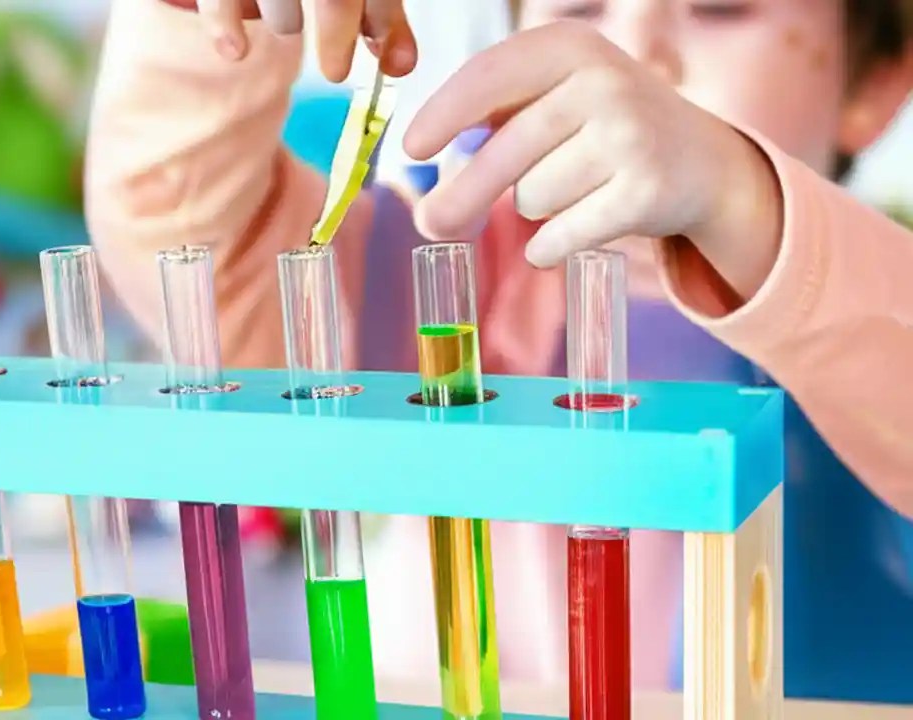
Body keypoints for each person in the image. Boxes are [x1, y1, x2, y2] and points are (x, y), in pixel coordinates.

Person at [85, 0, 913, 702]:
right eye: (580, 7)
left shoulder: (880, 297)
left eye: (720, 5)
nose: (631, 50)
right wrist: (206, 29)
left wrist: (745, 201)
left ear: (876, 80)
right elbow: (196, 251)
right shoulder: (457, 269)